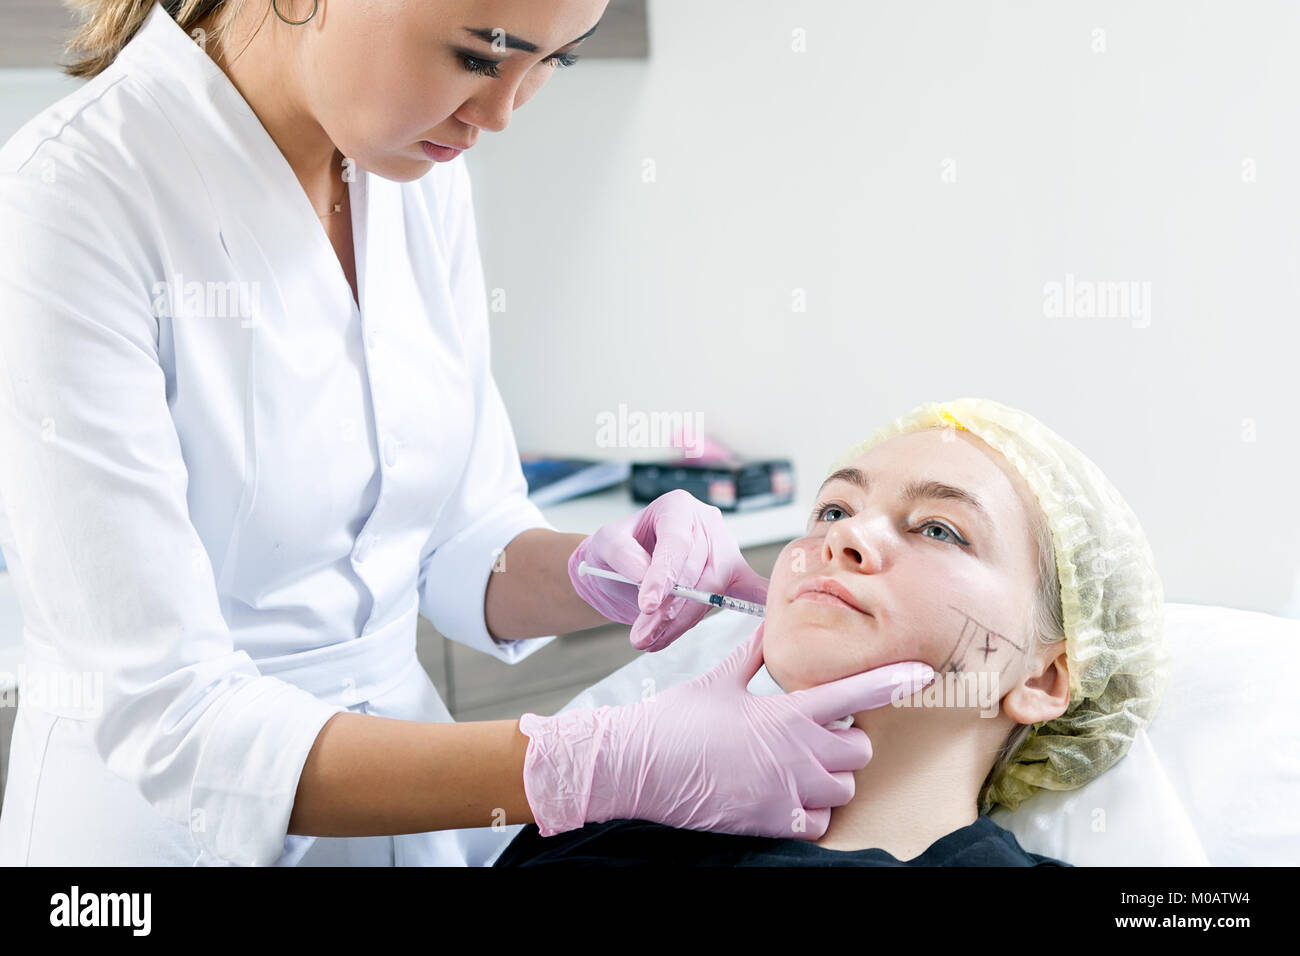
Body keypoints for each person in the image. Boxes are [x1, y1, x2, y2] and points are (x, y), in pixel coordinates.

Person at [0, 0, 920, 866]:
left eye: (551, 60)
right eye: (476, 55)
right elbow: (171, 717)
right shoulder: (69, 200)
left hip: (418, 822)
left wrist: (600, 571)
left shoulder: (413, 169)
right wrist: (585, 765)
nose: (503, 112)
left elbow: (453, 543)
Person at [496, 398, 1172, 866]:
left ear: (1042, 677)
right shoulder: (600, 826)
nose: (844, 534)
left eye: (940, 528)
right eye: (833, 508)